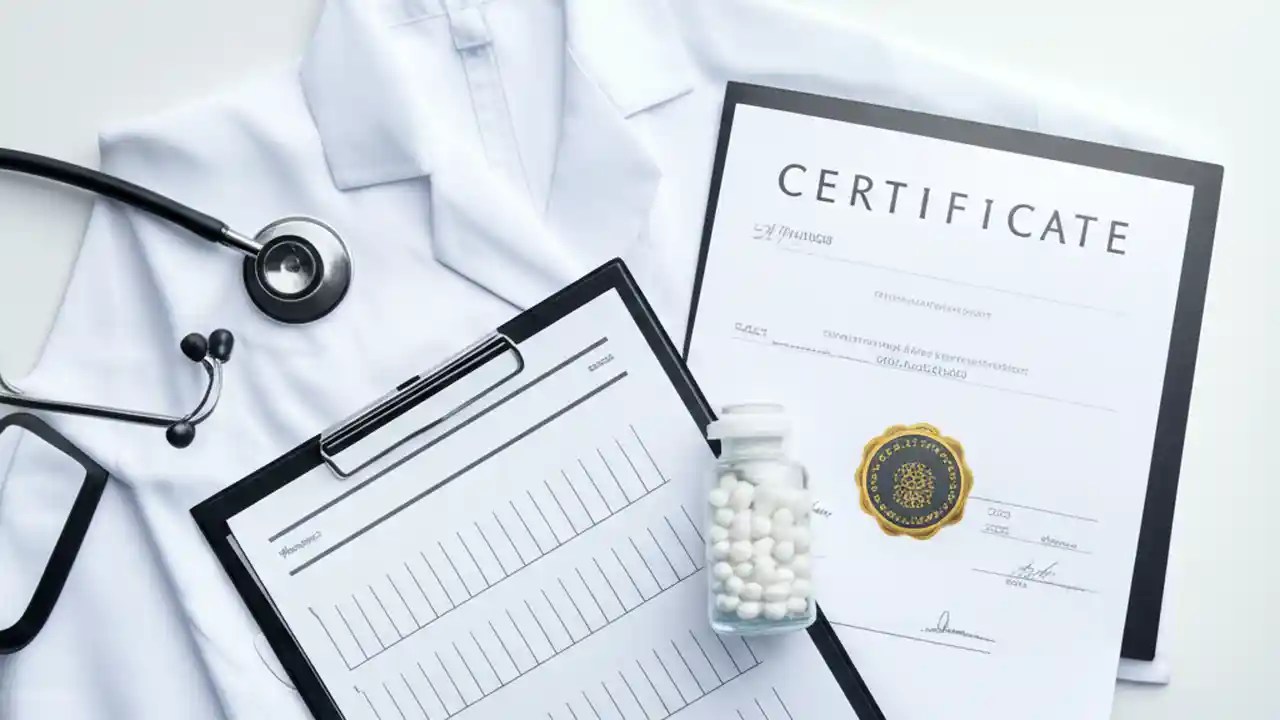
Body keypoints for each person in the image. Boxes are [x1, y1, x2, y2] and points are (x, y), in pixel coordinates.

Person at [0, 0, 1164, 717]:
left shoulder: (765, 71)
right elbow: (86, 592)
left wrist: (1110, 601)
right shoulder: (192, 192)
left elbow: (1129, 216)